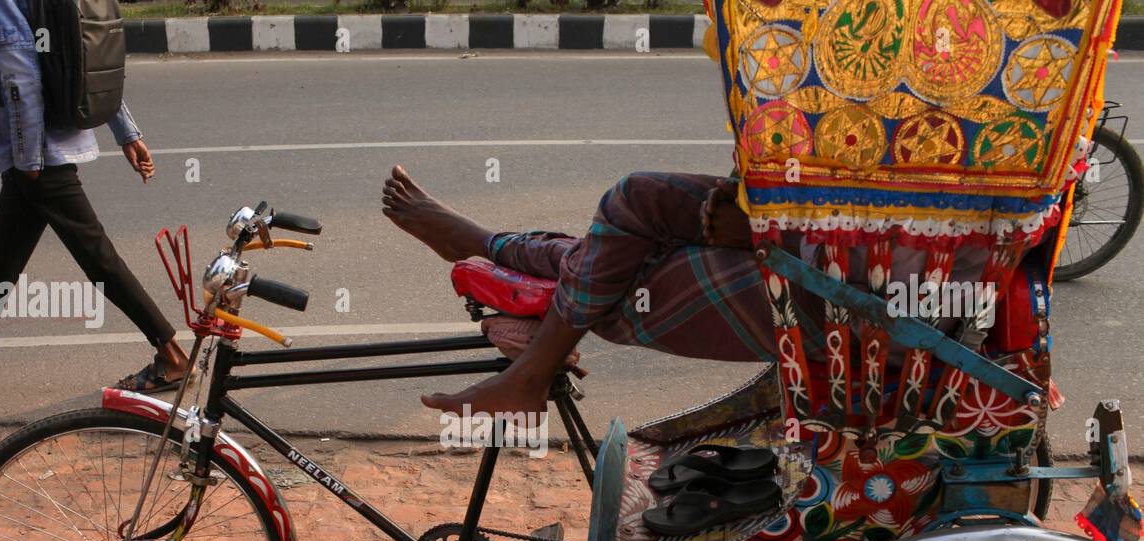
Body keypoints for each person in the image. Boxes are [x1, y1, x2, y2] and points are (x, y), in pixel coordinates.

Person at [381, 165, 989, 416]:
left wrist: (761, 214)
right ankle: (492, 252)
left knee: (628, 262)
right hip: (864, 264)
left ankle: (526, 355)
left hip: (864, 298)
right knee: (629, 236)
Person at [0, 0, 190, 394]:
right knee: (3, 252)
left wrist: (29, 155)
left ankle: (172, 357)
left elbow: (19, 70)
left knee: (97, 256)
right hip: (41, 141)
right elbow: (86, 53)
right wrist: (126, 130)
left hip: (36, 150)